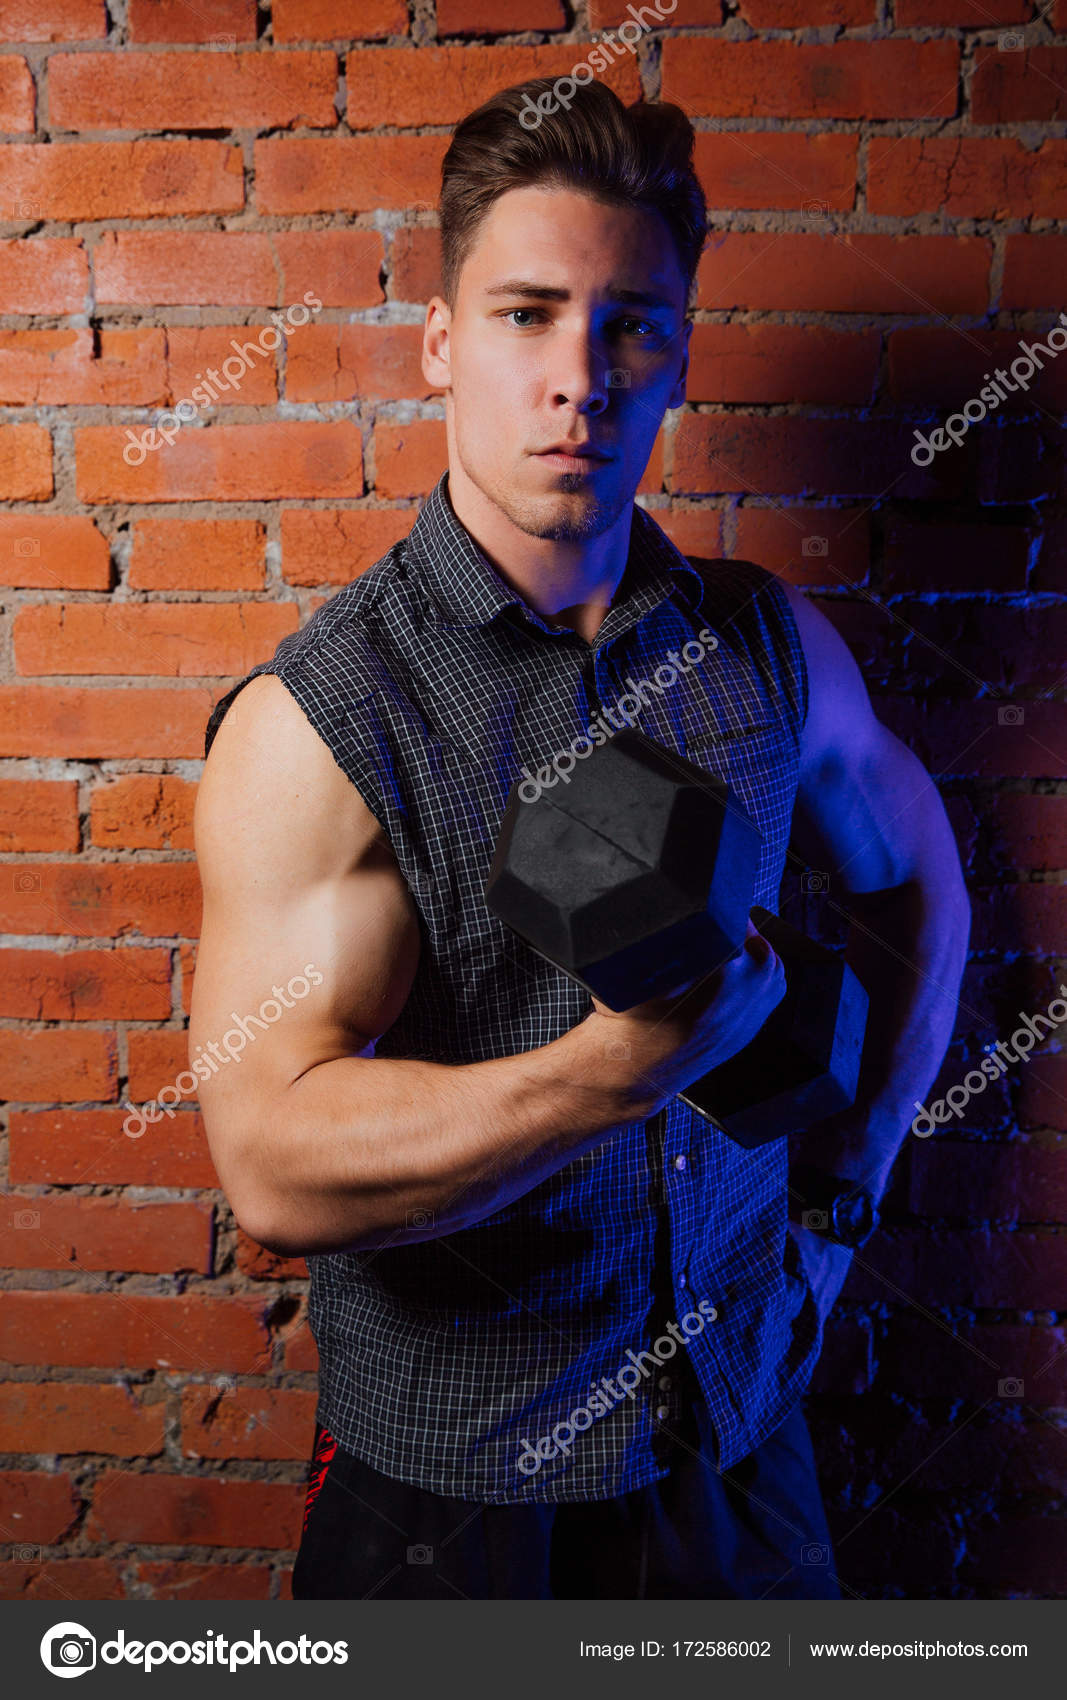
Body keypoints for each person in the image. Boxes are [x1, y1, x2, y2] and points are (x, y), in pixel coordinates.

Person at [191, 77, 970, 1600]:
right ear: (439, 344)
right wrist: (603, 1078)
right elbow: (272, 1165)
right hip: (464, 1497)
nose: (580, 379)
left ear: (679, 354)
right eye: (527, 315)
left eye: (631, 326)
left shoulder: (769, 652)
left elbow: (918, 873)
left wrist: (848, 1187)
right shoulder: (324, 719)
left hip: (741, 1444)